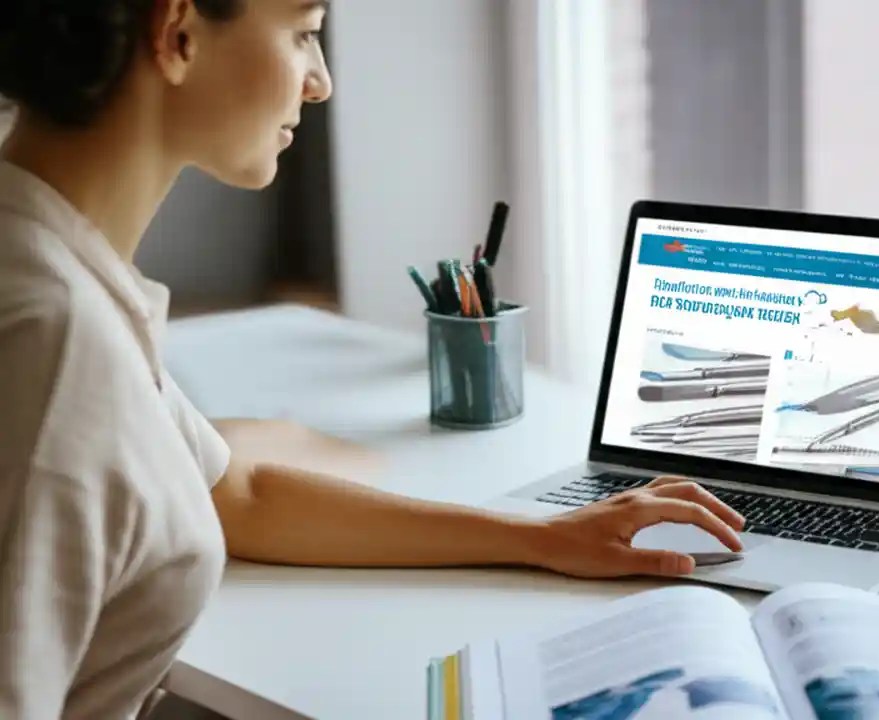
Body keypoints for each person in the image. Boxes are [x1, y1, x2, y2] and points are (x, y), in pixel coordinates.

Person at [0, 2, 745, 718]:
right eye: (301, 32)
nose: (319, 80)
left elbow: (238, 493)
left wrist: (544, 539)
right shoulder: (57, 343)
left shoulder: (50, 265)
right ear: (179, 30)